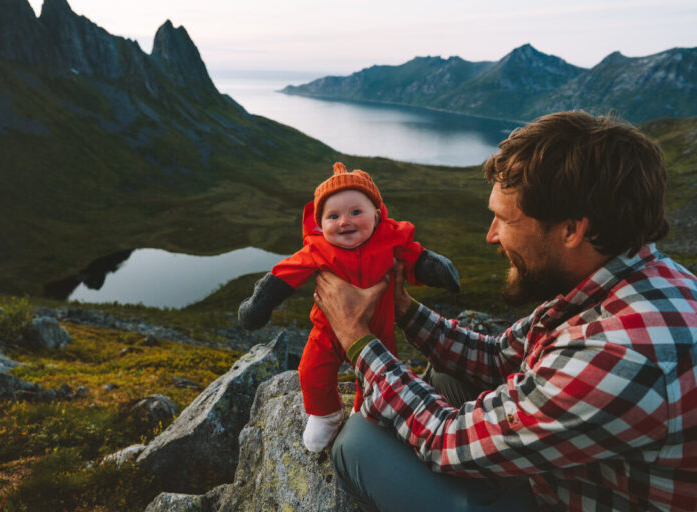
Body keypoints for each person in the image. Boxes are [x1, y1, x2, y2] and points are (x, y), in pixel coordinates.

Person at [313, 111, 697, 511]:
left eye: (504, 218)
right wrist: (404, 308)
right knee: (448, 375)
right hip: (585, 474)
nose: (491, 234)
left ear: (571, 231)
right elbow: (499, 357)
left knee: (358, 443)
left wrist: (357, 339)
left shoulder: (618, 353)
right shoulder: (629, 277)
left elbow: (447, 441)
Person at [238, 162, 460, 452]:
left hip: (376, 331)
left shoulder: (390, 240)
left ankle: (364, 412)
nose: (345, 221)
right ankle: (326, 415)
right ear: (320, 224)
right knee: (311, 371)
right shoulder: (317, 249)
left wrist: (437, 270)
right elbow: (284, 275)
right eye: (333, 216)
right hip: (326, 331)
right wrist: (259, 304)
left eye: (356, 212)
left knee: (376, 376)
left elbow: (415, 258)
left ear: (377, 215)